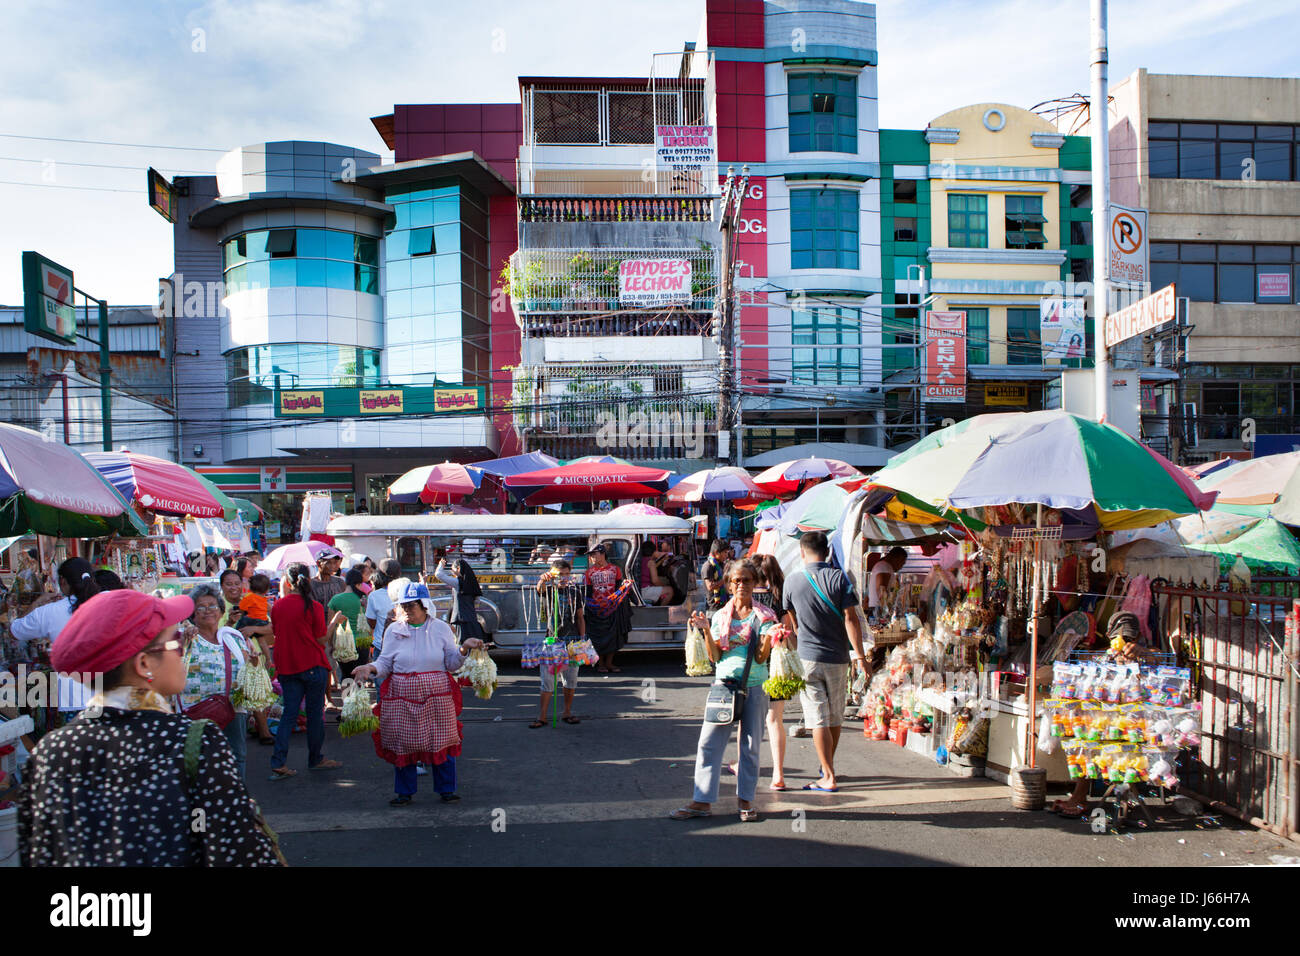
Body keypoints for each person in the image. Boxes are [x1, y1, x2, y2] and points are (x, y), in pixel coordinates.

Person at [17, 588, 283, 866]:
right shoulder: (192, 741)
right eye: (175, 642)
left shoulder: (51, 750)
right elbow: (236, 850)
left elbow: (40, 854)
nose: (181, 650)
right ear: (144, 664)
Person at [351, 579, 484, 806]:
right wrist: (370, 668)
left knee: (442, 739)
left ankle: (446, 790)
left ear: (424, 605)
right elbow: (385, 662)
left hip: (437, 692)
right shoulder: (394, 630)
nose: (406, 610)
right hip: (402, 693)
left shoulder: (440, 628)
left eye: (411, 606)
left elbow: (452, 664)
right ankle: (404, 792)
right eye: (403, 606)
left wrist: (463, 648)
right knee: (403, 742)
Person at [671, 559, 776, 823]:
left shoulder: (764, 617)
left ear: (755, 583)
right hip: (724, 687)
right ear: (729, 585)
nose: (741, 585)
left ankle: (746, 801)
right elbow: (715, 656)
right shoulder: (719, 617)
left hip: (754, 686)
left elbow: (762, 658)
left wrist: (771, 637)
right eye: (736, 581)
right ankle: (701, 801)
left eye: (747, 580)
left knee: (750, 746)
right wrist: (706, 630)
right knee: (709, 744)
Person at [783, 531, 866, 792]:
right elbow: (851, 619)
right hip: (838, 658)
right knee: (834, 716)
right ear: (828, 552)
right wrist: (861, 656)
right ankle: (827, 765)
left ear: (802, 552)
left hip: (807, 658)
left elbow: (792, 622)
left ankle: (827, 775)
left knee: (817, 717)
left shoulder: (792, 581)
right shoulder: (839, 578)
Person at [268, 562, 342, 780]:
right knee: (315, 715)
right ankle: (316, 758)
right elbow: (321, 639)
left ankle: (278, 761)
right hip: (312, 664)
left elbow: (276, 633)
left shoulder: (278, 606)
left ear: (288, 582)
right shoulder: (314, 607)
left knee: (288, 715)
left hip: (287, 666)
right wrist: (335, 622)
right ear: (308, 580)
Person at [178, 584, 252, 779]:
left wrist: (253, 659)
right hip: (196, 710)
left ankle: (237, 800)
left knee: (237, 755)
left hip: (233, 707)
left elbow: (249, 665)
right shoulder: (186, 637)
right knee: (200, 759)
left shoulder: (233, 637)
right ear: (192, 613)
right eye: (200, 607)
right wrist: (182, 642)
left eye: (212, 606)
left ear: (221, 611)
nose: (207, 611)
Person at [9, 557, 100, 715]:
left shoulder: (50, 611)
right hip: (111, 696)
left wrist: (37, 603)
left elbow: (15, 631)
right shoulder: (107, 603)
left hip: (75, 699)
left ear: (63, 581)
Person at [754, 554, 798, 790]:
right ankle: (778, 775)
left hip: (751, 665)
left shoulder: (745, 599)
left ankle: (744, 764)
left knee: (748, 720)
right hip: (776, 666)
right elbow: (789, 631)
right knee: (774, 720)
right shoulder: (780, 599)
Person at [530, 555, 585, 728]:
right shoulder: (550, 589)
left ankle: (567, 712)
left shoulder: (575, 591)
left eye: (567, 574)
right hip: (553, 641)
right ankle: (543, 716)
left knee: (570, 680)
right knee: (547, 681)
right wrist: (542, 580)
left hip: (573, 641)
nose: (563, 578)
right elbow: (539, 589)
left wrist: (582, 640)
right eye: (560, 574)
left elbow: (580, 617)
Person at [584, 544, 631, 673]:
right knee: (597, 638)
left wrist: (625, 587)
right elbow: (588, 592)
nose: (592, 557)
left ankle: (610, 663)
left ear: (603, 553)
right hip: (595, 609)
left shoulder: (616, 570)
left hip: (612, 608)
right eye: (591, 555)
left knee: (613, 637)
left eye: (594, 554)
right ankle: (601, 664)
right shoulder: (589, 573)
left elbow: (618, 588)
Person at [327, 568, 369, 679]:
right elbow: (370, 621)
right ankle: (359, 696)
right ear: (359, 584)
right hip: (363, 642)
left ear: (346, 582)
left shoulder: (335, 600)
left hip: (343, 643)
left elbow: (330, 624)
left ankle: (347, 696)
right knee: (359, 678)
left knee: (346, 677)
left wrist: (331, 645)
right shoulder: (363, 599)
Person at [434, 556, 485, 644]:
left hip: (460, 621)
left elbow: (439, 574)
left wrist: (441, 565)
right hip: (472, 621)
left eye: (452, 569)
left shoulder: (458, 583)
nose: (451, 571)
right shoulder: (471, 583)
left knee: (460, 648)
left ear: (458, 569)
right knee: (472, 649)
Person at [867, 546, 907, 623]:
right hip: (878, 611)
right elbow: (881, 591)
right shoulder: (884, 567)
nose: (901, 566)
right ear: (896, 558)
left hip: (877, 610)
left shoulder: (884, 566)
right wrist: (884, 614)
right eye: (902, 562)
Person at [637, 540, 671, 606]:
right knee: (670, 590)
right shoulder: (651, 562)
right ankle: (661, 609)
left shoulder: (642, 559)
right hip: (645, 590)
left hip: (641, 588)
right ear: (653, 551)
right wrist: (664, 586)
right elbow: (655, 581)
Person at [701, 539, 732, 612]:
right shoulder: (708, 566)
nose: (726, 555)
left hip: (724, 605)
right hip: (713, 608)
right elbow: (710, 586)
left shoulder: (721, 565)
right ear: (716, 553)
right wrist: (725, 579)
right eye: (725, 552)